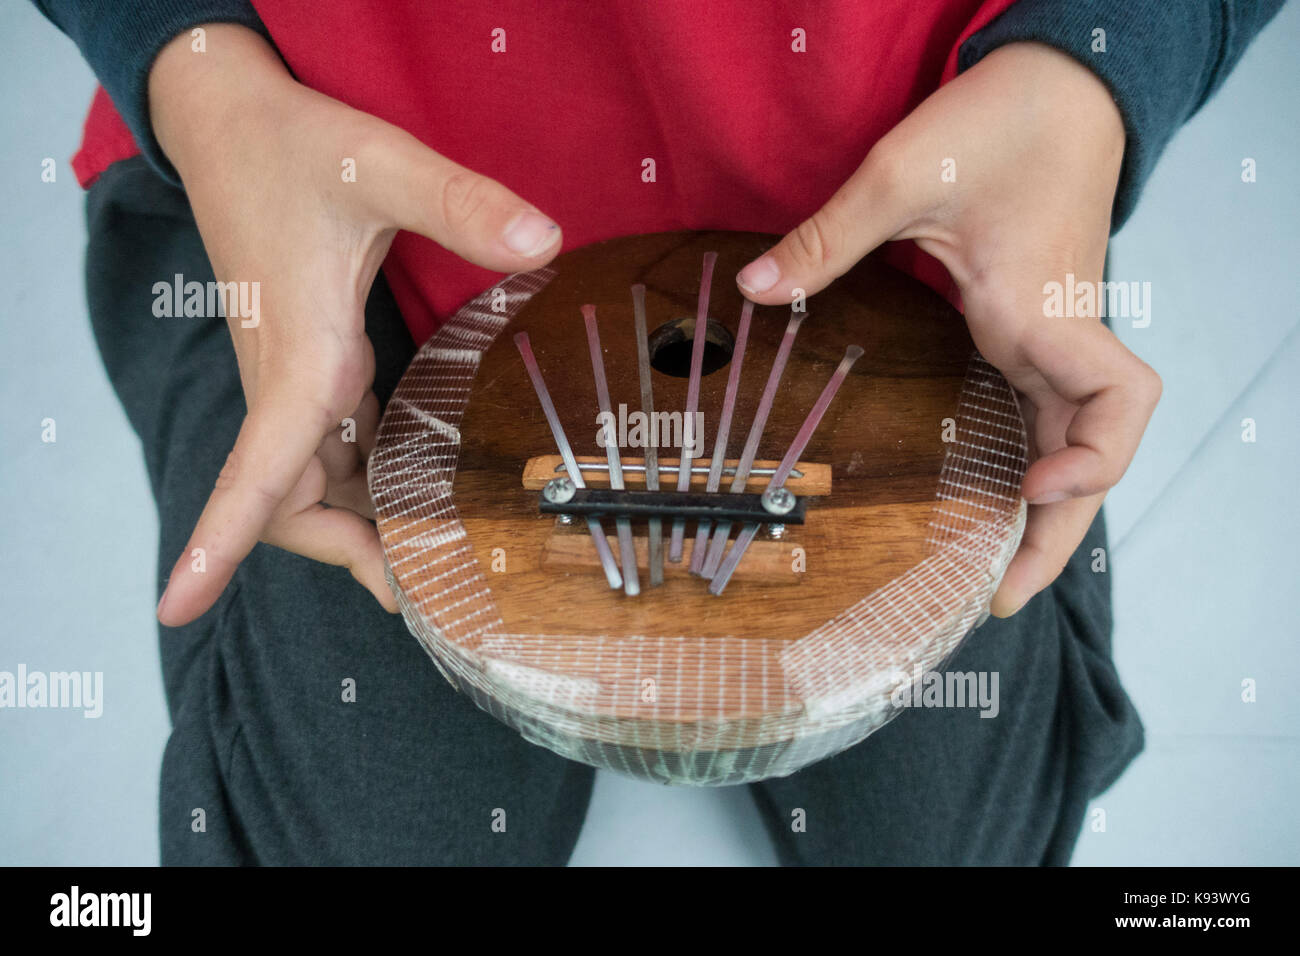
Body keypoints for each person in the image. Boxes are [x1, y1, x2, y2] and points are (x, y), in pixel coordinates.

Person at [35, 0, 1283, 865]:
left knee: (956, 841)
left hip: (907, 199)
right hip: (323, 184)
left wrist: (1093, 68)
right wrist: (193, 74)